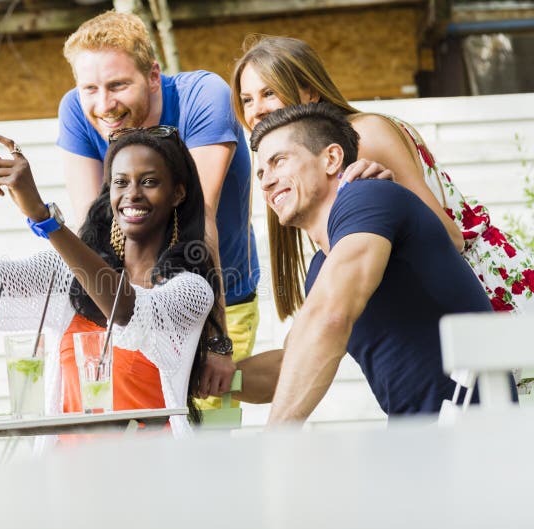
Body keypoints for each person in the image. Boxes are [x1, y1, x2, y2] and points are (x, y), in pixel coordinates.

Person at [0, 127, 222, 435]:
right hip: (68, 468)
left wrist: (44, 217)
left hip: (151, 469)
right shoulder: (68, 272)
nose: (132, 194)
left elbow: (126, 309)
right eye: (120, 182)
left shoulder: (190, 289)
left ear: (178, 193)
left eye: (149, 182)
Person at [231, 35, 534, 321]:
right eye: (247, 100)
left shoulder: (364, 135)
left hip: (491, 290)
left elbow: (450, 238)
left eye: (269, 92)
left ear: (309, 91)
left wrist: (389, 203)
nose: (256, 111)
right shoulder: (300, 166)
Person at [235, 103, 502, 422]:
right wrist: (216, 378)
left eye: (279, 162)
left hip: (470, 431)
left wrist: (274, 441)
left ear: (331, 159)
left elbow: (330, 317)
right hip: (422, 438)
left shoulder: (368, 196)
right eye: (262, 172)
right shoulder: (323, 265)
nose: (266, 182)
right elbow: (288, 366)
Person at [57, 11, 259, 406]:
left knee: (205, 440)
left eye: (118, 85)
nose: (104, 104)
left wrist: (217, 341)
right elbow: (92, 228)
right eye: (90, 88)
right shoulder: (76, 110)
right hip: (128, 305)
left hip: (215, 298)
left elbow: (201, 221)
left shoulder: (202, 96)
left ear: (152, 76)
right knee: (137, 440)